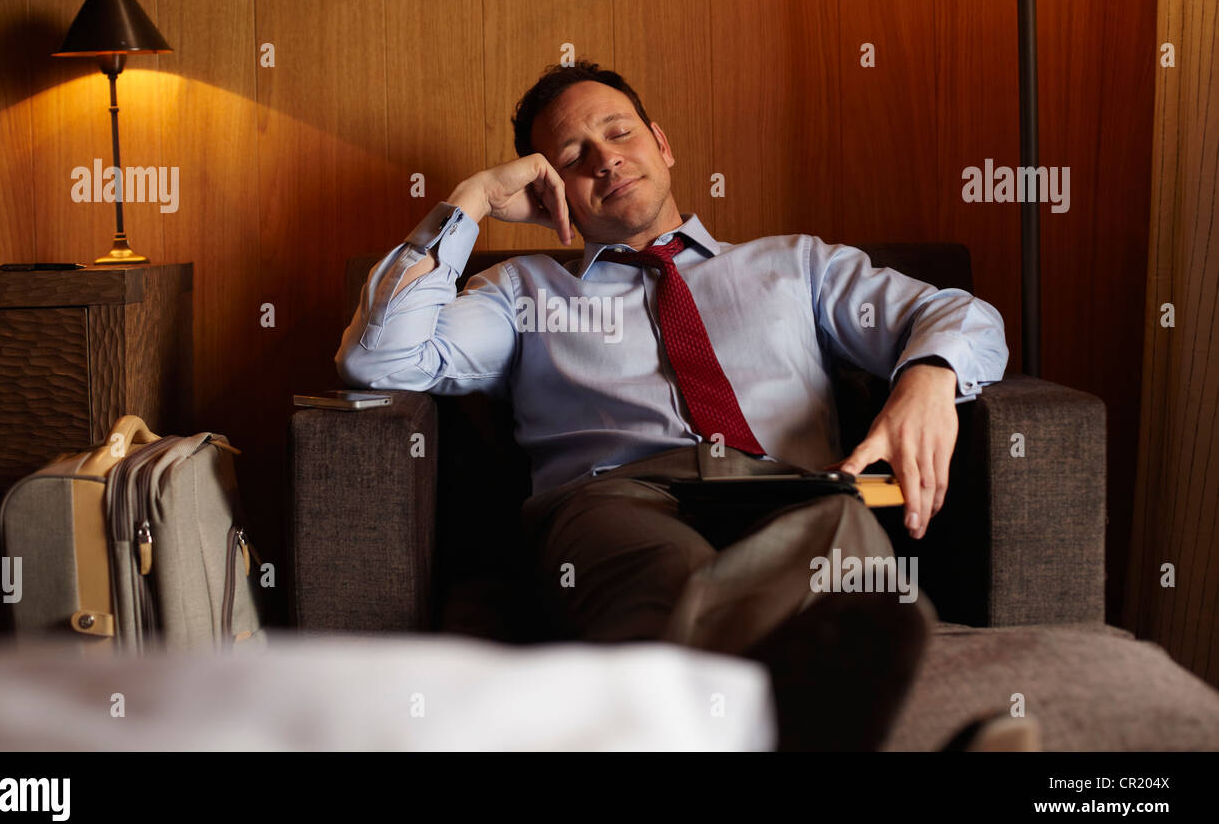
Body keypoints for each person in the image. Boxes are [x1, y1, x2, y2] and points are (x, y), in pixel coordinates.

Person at [335, 61, 1013, 750]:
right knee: (663, 572)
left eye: (619, 132)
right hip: (615, 502)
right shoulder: (522, 290)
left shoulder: (798, 264)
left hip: (793, 491)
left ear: (662, 144)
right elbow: (381, 359)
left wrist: (928, 376)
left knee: (842, 531)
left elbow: (958, 317)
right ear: (550, 190)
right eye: (573, 156)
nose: (605, 158)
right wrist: (472, 200)